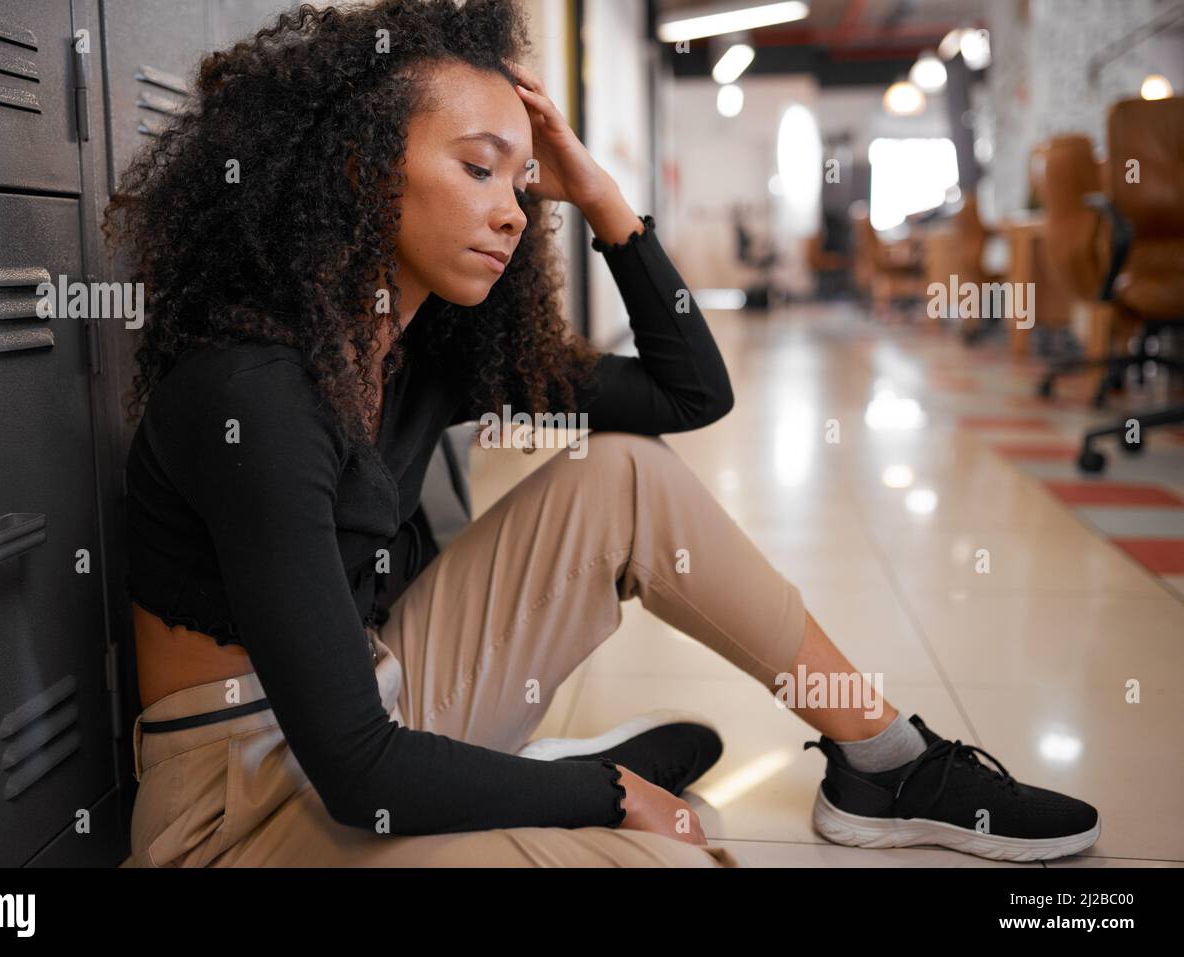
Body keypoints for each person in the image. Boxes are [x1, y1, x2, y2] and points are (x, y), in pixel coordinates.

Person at [109, 0, 1100, 867]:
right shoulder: (258, 395)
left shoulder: (421, 352)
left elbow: (688, 396)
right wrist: (608, 792)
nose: (510, 213)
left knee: (625, 471)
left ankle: (888, 765)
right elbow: (362, 774)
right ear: (362, 166)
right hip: (244, 807)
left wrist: (599, 196)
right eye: (478, 170)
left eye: (523, 183)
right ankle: (537, 776)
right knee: (660, 849)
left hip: (372, 706)